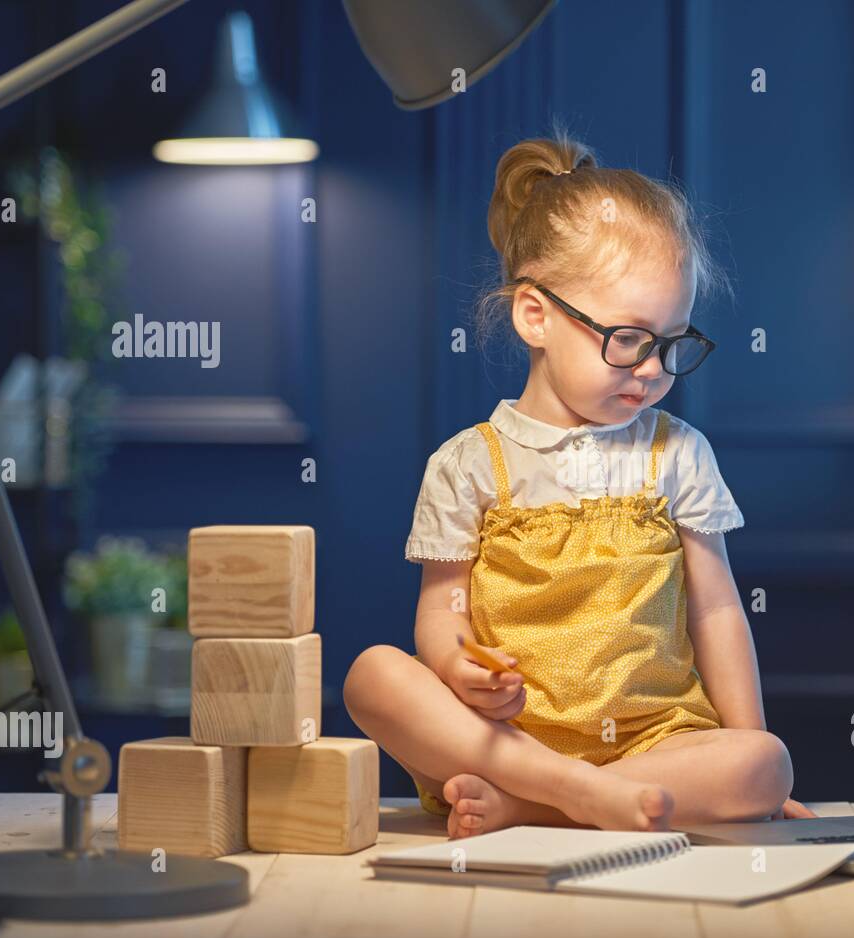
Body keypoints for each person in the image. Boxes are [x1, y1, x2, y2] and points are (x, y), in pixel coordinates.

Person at [344, 128, 813, 838]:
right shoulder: (469, 463)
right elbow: (444, 611)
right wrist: (456, 664)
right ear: (535, 315)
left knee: (762, 761)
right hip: (504, 746)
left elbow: (717, 614)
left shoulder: (675, 453)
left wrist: (756, 764)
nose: (653, 368)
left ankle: (532, 811)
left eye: (671, 341)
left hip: (655, 751)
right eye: (627, 339)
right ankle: (556, 786)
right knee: (373, 674)